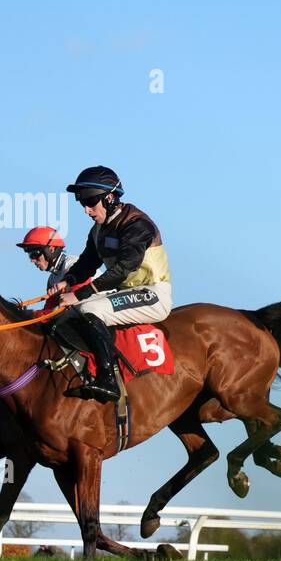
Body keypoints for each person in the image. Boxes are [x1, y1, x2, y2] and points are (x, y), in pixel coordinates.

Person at [50, 166, 172, 402]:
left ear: (110, 197)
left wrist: (80, 294)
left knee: (89, 308)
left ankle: (108, 380)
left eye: (90, 202)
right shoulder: (98, 230)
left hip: (153, 293)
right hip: (126, 293)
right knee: (70, 312)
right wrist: (67, 282)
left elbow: (124, 269)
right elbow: (87, 263)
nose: (86, 210)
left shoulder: (138, 225)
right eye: (82, 203)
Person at [15, 226, 76, 310]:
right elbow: (48, 310)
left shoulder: (72, 263)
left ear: (51, 249)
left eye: (34, 254)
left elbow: (80, 287)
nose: (32, 261)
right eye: (30, 256)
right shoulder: (52, 280)